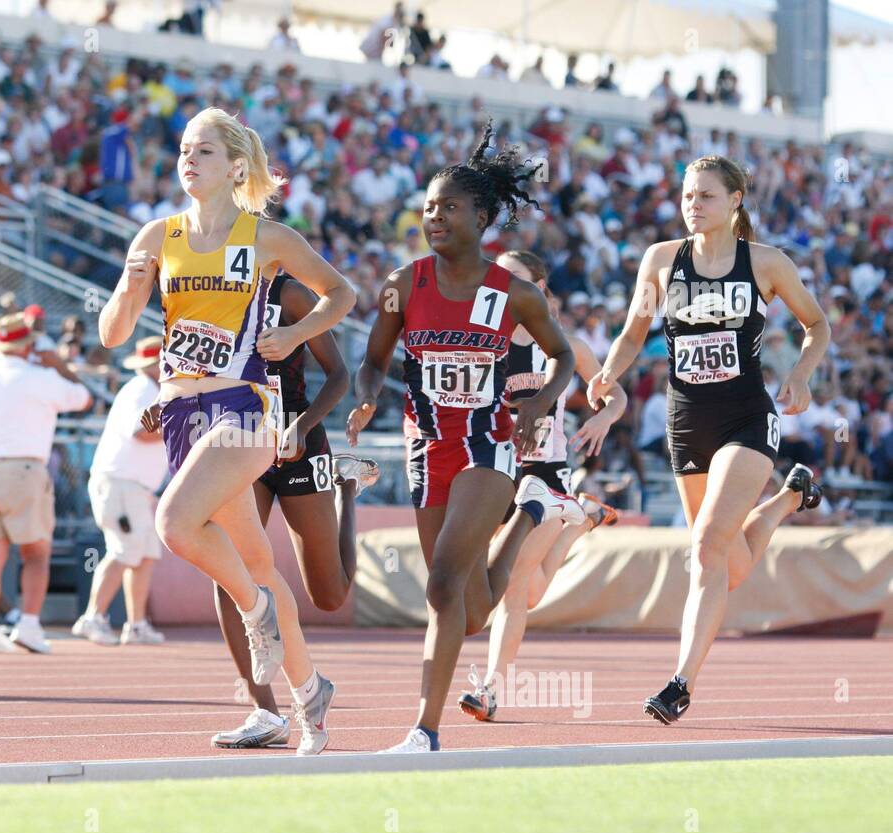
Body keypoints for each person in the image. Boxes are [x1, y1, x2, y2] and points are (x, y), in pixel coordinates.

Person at [99, 108, 355, 756]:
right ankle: (309, 694)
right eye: (184, 149)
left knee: (173, 523)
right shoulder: (159, 236)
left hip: (245, 408)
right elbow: (112, 333)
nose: (189, 159)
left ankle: (254, 612)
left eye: (205, 150)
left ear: (236, 167)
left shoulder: (265, 236)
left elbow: (341, 293)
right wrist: (129, 286)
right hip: (183, 413)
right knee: (262, 565)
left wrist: (294, 334)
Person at [348, 121, 585, 754]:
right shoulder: (404, 284)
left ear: (482, 217)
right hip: (425, 447)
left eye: (449, 206)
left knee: (440, 587)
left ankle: (424, 731)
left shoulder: (514, 293)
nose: (434, 216)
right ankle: (531, 519)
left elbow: (562, 357)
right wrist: (369, 390)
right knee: (471, 609)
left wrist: (540, 398)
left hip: (488, 446)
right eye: (428, 207)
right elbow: (372, 360)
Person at [586, 155, 830, 723]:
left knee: (705, 549)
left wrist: (799, 375)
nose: (693, 205)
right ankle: (790, 499)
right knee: (723, 559)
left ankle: (680, 682)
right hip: (686, 420)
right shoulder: (661, 260)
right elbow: (633, 331)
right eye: (688, 196)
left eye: (707, 196)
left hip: (746, 418)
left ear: (736, 200)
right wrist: (608, 372)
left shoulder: (766, 263)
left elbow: (816, 324)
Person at [211, 270, 379, 749]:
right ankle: (265, 712)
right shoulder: (205, 287)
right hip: (241, 444)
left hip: (300, 446)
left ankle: (348, 486)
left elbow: (340, 374)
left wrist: (304, 427)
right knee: (227, 571)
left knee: (328, 595)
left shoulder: (287, 292)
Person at [457, 250, 628, 721]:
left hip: (545, 472)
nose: (501, 284)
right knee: (527, 592)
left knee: (511, 587)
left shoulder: (567, 344)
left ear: (539, 288)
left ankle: (490, 689)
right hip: (495, 469)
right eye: (497, 276)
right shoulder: (480, 339)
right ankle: (582, 519)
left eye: (514, 278)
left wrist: (605, 418)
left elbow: (614, 393)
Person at [0, 309, 92, 655]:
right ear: (29, 345)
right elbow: (83, 398)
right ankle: (28, 625)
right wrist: (58, 364)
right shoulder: (41, 377)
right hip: (24, 472)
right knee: (37, 554)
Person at [72, 336, 169, 646]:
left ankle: (136, 624)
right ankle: (93, 617)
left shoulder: (150, 389)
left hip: (132, 487)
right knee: (124, 551)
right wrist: (181, 427)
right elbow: (141, 433)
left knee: (143, 555)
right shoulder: (143, 391)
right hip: (121, 484)